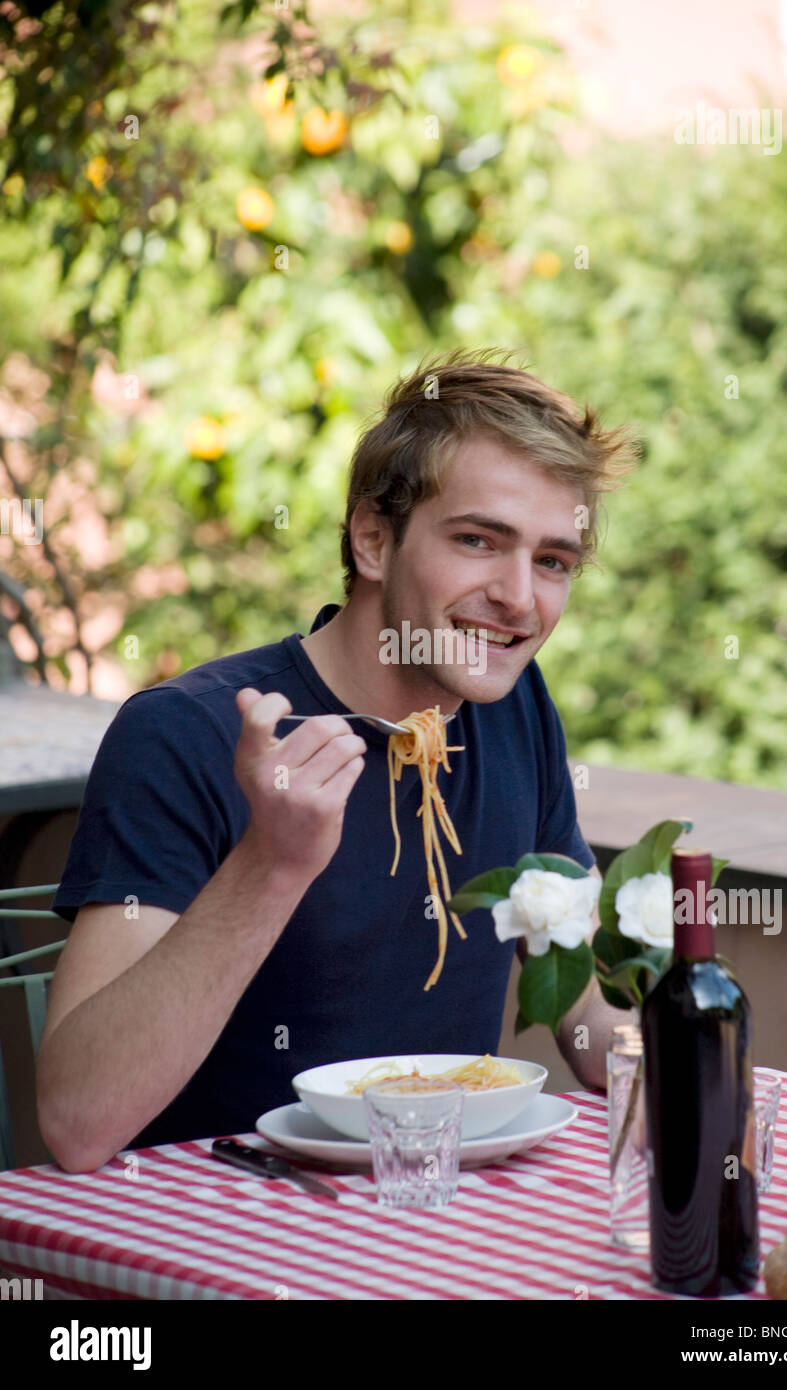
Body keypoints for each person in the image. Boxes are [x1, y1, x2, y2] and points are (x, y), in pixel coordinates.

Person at [37, 348, 637, 1173]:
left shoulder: (518, 712)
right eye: (477, 540)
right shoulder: (186, 733)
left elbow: (582, 1012)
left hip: (425, 1220)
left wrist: (680, 1050)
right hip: (218, 1241)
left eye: (553, 561)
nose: (520, 598)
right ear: (372, 541)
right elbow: (77, 1121)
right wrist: (272, 865)